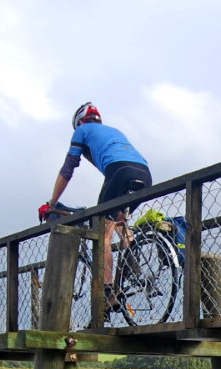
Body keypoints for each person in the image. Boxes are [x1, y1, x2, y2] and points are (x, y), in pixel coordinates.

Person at [41, 102, 151, 304]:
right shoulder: (113, 131)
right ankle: (132, 264)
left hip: (119, 171)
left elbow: (68, 169)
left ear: (80, 122)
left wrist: (52, 203)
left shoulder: (82, 130)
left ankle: (108, 292)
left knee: (102, 232)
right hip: (144, 173)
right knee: (119, 219)